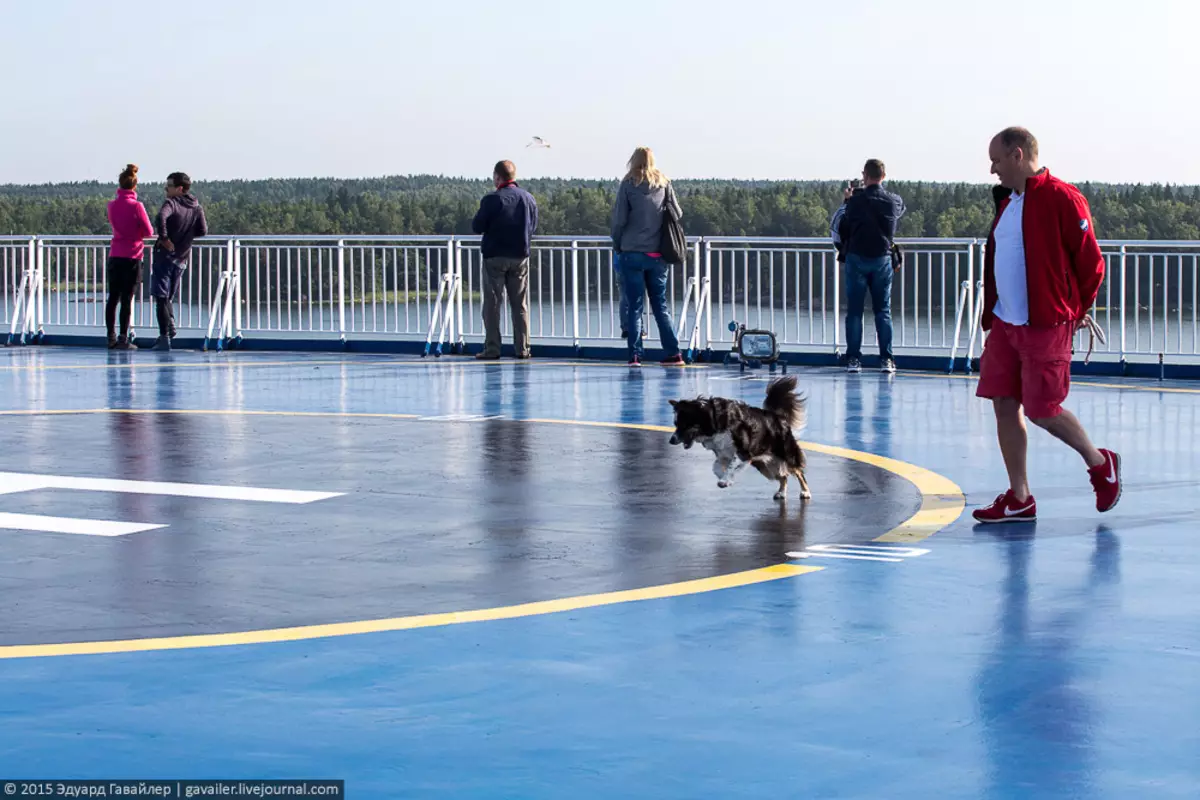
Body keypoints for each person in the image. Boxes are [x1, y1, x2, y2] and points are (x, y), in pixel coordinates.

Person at [972, 126, 1120, 523]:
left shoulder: (1062, 198)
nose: (992, 169)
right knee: (1004, 401)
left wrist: (1075, 309)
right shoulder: (1009, 202)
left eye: (997, 160)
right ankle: (1020, 497)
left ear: (1017, 155)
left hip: (1045, 323)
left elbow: (1092, 265)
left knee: (1042, 409)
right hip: (1006, 322)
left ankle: (1099, 463)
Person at [610, 146, 684, 367]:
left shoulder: (628, 184)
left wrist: (617, 243)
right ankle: (674, 353)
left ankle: (635, 355)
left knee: (635, 306)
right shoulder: (663, 183)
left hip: (631, 253)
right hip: (658, 255)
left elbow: (619, 219)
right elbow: (677, 213)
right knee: (660, 305)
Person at [837, 159, 905, 373]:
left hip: (856, 259)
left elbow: (844, 225)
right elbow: (900, 210)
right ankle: (886, 359)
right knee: (882, 311)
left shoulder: (855, 201)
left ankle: (854, 360)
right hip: (882, 260)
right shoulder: (893, 201)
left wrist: (847, 199)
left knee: (855, 312)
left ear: (864, 175)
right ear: (883, 176)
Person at [472, 159, 538, 359]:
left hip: (494, 258)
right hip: (520, 258)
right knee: (520, 305)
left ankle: (492, 349)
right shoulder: (528, 199)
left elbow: (477, 226)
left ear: (498, 177)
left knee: (492, 305)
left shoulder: (492, 199)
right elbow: (532, 227)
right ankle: (523, 349)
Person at [150, 172, 208, 350]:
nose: (165, 188)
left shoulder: (172, 203)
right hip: (182, 258)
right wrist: (186, 238)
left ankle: (164, 337)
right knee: (168, 296)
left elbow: (161, 217)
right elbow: (203, 230)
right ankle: (171, 323)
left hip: (165, 257)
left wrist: (165, 238)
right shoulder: (196, 207)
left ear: (179, 189)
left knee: (161, 297)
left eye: (169, 185)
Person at [104, 164, 154, 349]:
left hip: (115, 255)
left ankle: (110, 337)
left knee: (113, 298)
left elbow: (116, 225)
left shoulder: (111, 205)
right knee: (127, 299)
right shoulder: (137, 206)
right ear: (135, 186)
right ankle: (124, 338)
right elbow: (149, 231)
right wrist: (137, 233)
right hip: (133, 256)